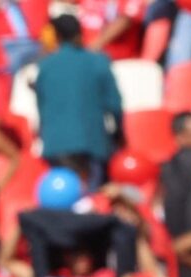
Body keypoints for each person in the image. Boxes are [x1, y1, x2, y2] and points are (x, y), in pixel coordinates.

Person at [32, 15, 123, 180]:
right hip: (91, 146)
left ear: (57, 36)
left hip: (55, 148)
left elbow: (41, 109)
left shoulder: (45, 66)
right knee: (92, 194)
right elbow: (115, 105)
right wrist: (119, 136)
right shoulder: (98, 61)